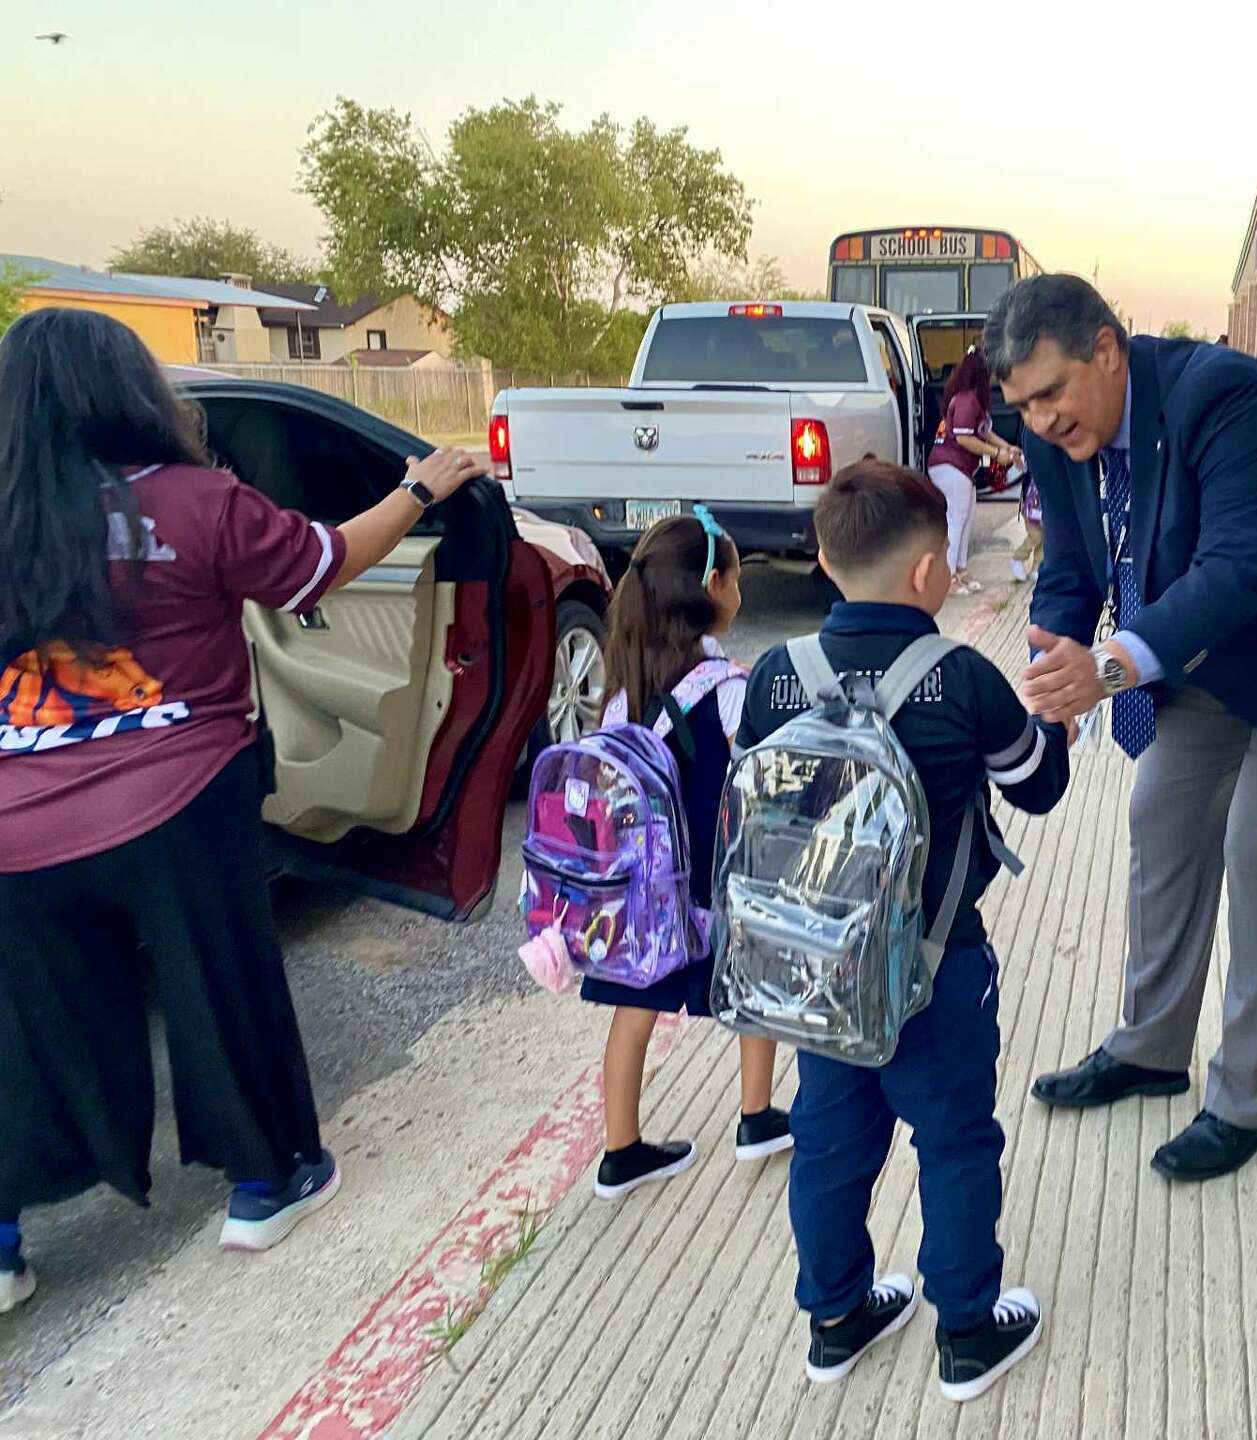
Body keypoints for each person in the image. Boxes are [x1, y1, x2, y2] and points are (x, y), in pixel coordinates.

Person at [0, 307, 489, 1311]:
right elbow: (323, 564)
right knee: (221, 989)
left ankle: (5, 1238)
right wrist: (416, 488)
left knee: (33, 1028)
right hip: (176, 800)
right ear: (127, 392)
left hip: (20, 824)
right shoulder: (190, 502)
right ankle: (268, 1183)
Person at [989, 275, 1257, 1183]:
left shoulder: (1225, 395)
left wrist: (1106, 670)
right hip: (1206, 649)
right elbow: (1072, 564)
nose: (1039, 421)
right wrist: (1056, 666)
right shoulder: (1067, 436)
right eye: (1022, 405)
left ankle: (1246, 1101)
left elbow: (1233, 571)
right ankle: (1151, 1049)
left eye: (1051, 393)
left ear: (1106, 349)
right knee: (1162, 813)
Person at [731, 461, 1070, 1401]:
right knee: (956, 1140)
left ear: (829, 563)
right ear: (928, 574)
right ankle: (966, 1332)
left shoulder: (775, 678)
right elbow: (1037, 787)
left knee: (830, 1142)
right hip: (937, 966)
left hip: (819, 969)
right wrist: (1053, 725)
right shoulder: (962, 678)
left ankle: (835, 1319)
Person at [586, 511, 791, 1195]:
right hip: (710, 882)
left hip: (640, 894)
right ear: (713, 584)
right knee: (751, 984)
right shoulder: (725, 686)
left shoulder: (623, 691)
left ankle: (621, 1151)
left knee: (633, 1016)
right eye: (736, 576)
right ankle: (756, 1118)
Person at [926, 348, 1022, 595]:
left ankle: (961, 570)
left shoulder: (970, 399)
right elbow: (964, 439)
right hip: (950, 466)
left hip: (958, 468)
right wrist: (995, 453)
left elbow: (983, 431)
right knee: (956, 521)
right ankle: (949, 578)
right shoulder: (968, 399)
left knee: (965, 518)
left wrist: (1006, 447)